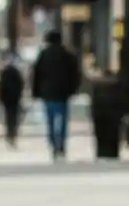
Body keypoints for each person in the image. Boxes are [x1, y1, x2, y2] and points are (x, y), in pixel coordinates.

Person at [31, 31, 81, 160]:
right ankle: (61, 144)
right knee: (63, 120)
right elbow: (74, 74)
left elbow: (37, 75)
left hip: (48, 93)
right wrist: (73, 89)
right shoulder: (68, 55)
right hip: (63, 93)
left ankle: (53, 144)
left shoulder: (44, 55)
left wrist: (35, 92)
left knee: (50, 120)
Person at [0, 56, 25, 148]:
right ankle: (12, 135)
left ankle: (9, 135)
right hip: (15, 99)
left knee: (8, 117)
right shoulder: (16, 73)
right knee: (14, 118)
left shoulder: (4, 73)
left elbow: (0, 86)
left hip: (7, 99)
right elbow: (21, 85)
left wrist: (1, 97)